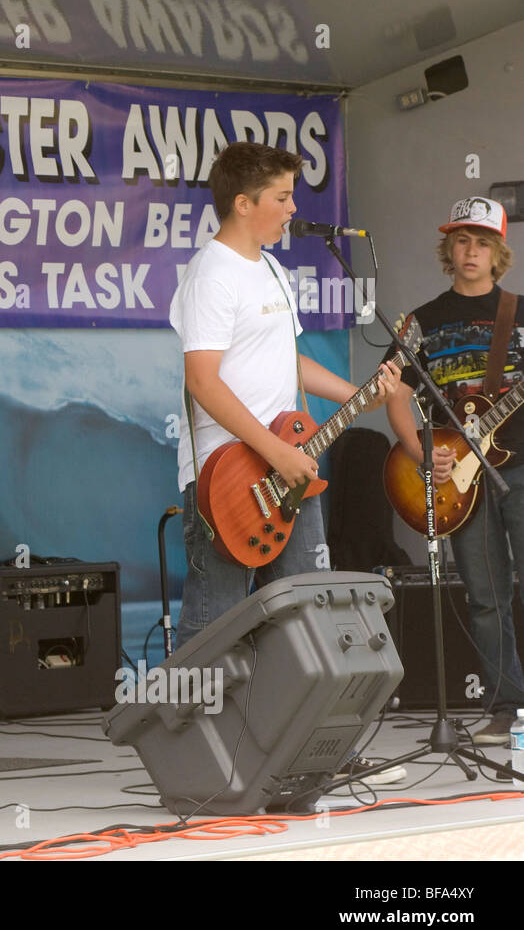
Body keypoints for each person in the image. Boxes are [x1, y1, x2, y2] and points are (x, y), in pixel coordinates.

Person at [172, 141, 402, 782]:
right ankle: (185, 753)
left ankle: (319, 755)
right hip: (228, 474)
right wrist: (274, 450)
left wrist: (362, 392)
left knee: (307, 610)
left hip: (286, 467)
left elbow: (288, 363)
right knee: (213, 620)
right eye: (281, 197)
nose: (292, 209)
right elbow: (203, 381)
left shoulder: (270, 270)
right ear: (243, 204)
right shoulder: (212, 274)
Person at [384, 196, 524, 746]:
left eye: (482, 242)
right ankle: (503, 709)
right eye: (462, 241)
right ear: (449, 249)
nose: (471, 252)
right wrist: (423, 451)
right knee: (486, 597)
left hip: (523, 464)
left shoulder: (520, 311)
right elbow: (393, 391)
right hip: (458, 479)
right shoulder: (423, 320)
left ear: (499, 252)